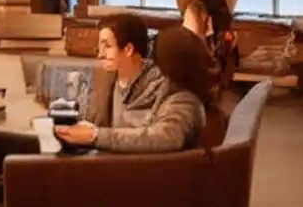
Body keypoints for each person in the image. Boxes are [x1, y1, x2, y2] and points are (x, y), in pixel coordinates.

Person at [55, 15, 210, 153]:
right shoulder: (107, 83)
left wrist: (96, 135)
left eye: (107, 46)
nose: (100, 53)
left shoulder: (182, 97)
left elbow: (167, 136)